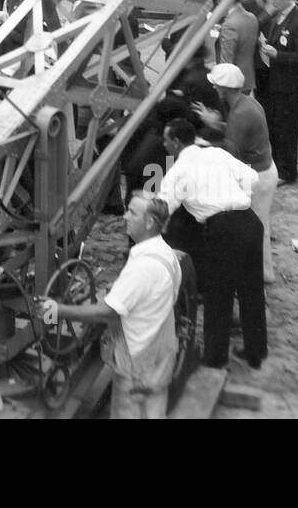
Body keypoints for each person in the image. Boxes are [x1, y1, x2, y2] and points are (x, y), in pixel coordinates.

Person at [38, 194, 181, 419]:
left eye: (132, 212)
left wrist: (58, 310)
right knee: (153, 410)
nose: (124, 216)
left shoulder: (142, 268)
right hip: (161, 355)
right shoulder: (168, 255)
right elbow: (154, 295)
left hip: (137, 363)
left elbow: (107, 312)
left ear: (150, 222)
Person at [158, 118, 266, 369]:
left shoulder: (178, 171)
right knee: (252, 290)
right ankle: (255, 352)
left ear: (175, 142)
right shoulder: (217, 154)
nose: (163, 145)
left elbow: (163, 207)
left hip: (222, 228)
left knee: (219, 293)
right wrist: (233, 197)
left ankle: (215, 358)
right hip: (249, 222)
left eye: (165, 140)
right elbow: (252, 177)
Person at [195, 63, 277, 284]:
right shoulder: (247, 103)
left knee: (256, 227)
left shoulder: (241, 113)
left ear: (223, 88)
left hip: (258, 175)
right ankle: (264, 271)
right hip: (264, 170)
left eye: (216, 86)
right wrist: (217, 124)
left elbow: (231, 151)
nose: (214, 89)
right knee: (261, 225)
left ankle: (262, 273)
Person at [256, 0, 298, 185]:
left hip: (290, 84)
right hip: (277, 81)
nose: (273, 2)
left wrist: (278, 55)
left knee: (287, 128)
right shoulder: (278, 17)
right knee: (277, 126)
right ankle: (279, 166)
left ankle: (287, 171)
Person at [216, 0, 259, 95]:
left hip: (232, 82)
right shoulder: (252, 18)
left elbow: (226, 60)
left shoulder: (229, 24)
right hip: (248, 77)